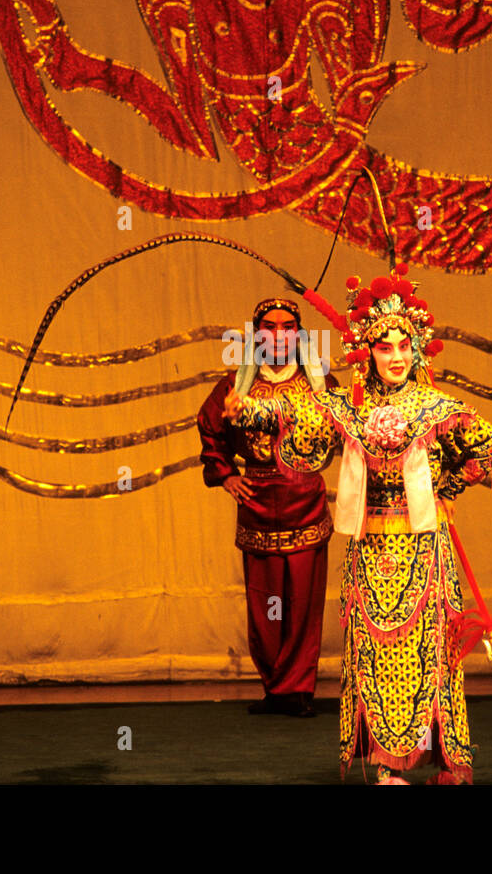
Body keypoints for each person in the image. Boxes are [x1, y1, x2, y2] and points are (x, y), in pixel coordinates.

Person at [224, 267, 492, 784]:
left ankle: (437, 760)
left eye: (405, 346)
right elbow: (301, 433)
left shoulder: (434, 406)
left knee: (431, 659)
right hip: (368, 552)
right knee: (374, 659)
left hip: (426, 551)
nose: (397, 357)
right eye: (385, 347)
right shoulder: (346, 408)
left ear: (419, 349)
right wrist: (253, 414)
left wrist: (446, 486)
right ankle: (385, 766)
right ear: (367, 353)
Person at [197, 298, 334, 718]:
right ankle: (275, 687)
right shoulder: (237, 387)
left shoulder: (320, 382)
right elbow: (210, 427)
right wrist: (225, 475)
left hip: (304, 500)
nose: (278, 334)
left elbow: (346, 429)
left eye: (288, 326)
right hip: (257, 501)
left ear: (299, 334)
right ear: (256, 334)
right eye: (269, 326)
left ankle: (298, 689)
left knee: (303, 601)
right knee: (265, 601)